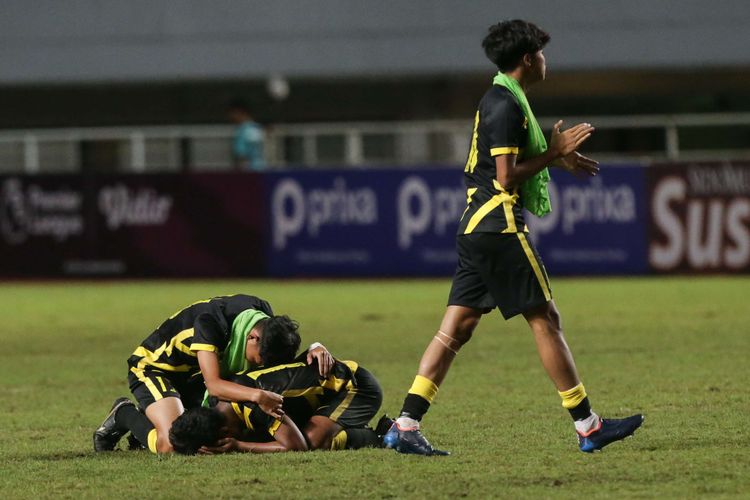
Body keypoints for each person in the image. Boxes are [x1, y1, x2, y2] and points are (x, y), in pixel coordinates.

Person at [384, 20, 643, 456]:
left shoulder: (501, 97)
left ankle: (405, 424)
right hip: (498, 226)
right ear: (527, 59)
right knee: (546, 321)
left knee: (455, 330)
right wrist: (553, 153)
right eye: (541, 53)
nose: (545, 60)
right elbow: (505, 179)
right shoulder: (505, 104)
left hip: (474, 227)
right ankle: (588, 425)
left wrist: (556, 161)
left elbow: (501, 166)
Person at [93, 294, 333, 454]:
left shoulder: (263, 317)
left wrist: (314, 347)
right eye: (257, 359)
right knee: (172, 444)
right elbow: (215, 385)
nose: (258, 365)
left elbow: (276, 364)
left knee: (216, 430)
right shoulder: (211, 324)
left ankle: (149, 424)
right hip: (156, 370)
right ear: (252, 338)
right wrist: (258, 396)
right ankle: (124, 413)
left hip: (193, 376)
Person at [169, 357, 389, 455]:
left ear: (224, 433)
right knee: (270, 437)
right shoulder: (222, 399)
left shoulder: (257, 406)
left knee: (314, 441)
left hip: (355, 387)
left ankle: (383, 435)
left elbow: (297, 447)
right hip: (327, 390)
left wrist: (239, 446)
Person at [227, 98, 266, 171]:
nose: (230, 116)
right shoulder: (258, 128)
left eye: (232, 113)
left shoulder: (242, 132)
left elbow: (241, 157)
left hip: (248, 174)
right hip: (262, 172)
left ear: (238, 112)